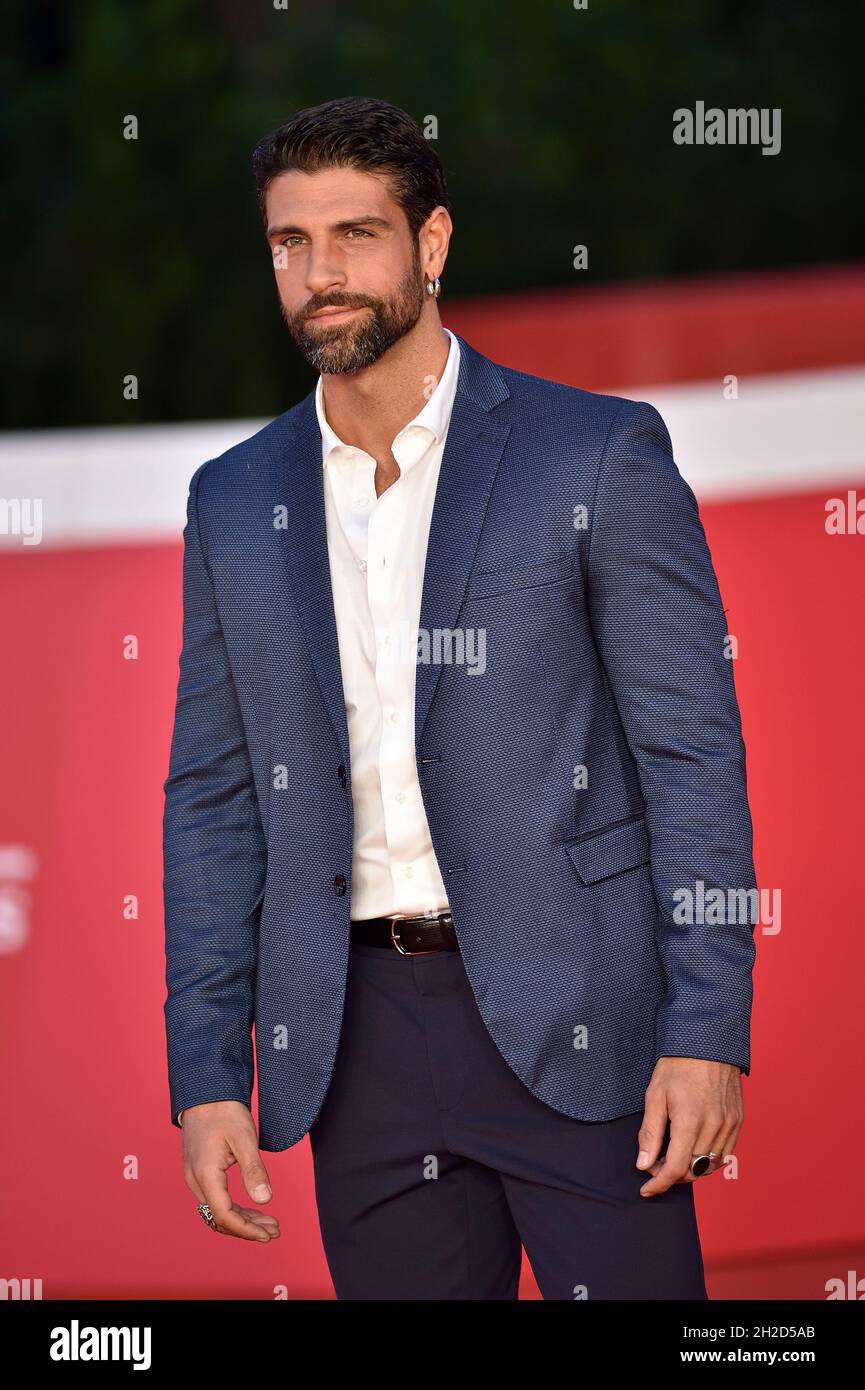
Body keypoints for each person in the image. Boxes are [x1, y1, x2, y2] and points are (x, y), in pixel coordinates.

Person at [163, 95, 758, 1300]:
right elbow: (213, 800)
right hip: (355, 1044)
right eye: (290, 243)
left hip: (581, 1019)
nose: (320, 274)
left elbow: (691, 757)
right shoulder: (232, 499)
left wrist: (705, 1029)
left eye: (355, 235)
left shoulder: (590, 454)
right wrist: (207, 1070)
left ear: (431, 245)